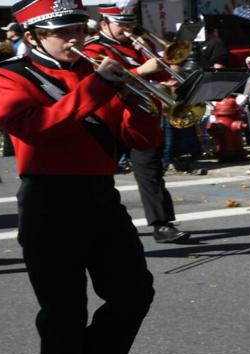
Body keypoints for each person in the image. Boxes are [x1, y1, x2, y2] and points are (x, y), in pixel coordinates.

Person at [0, 0, 167, 354]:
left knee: (133, 294)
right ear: (33, 37)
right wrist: (102, 87)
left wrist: (146, 100)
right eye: (62, 33)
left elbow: (141, 139)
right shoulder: (8, 75)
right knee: (64, 310)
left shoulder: (97, 72)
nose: (76, 39)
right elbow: (35, 128)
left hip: (100, 196)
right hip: (50, 198)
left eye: (79, 30)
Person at [86, 2, 190, 242]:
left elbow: (165, 75)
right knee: (99, 175)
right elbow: (102, 83)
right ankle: (98, 224)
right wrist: (142, 70)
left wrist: (160, 59)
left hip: (141, 116)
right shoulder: (93, 49)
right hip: (109, 118)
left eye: (130, 24)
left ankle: (162, 225)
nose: (127, 30)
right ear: (104, 24)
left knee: (150, 172)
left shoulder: (139, 45)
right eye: (120, 25)